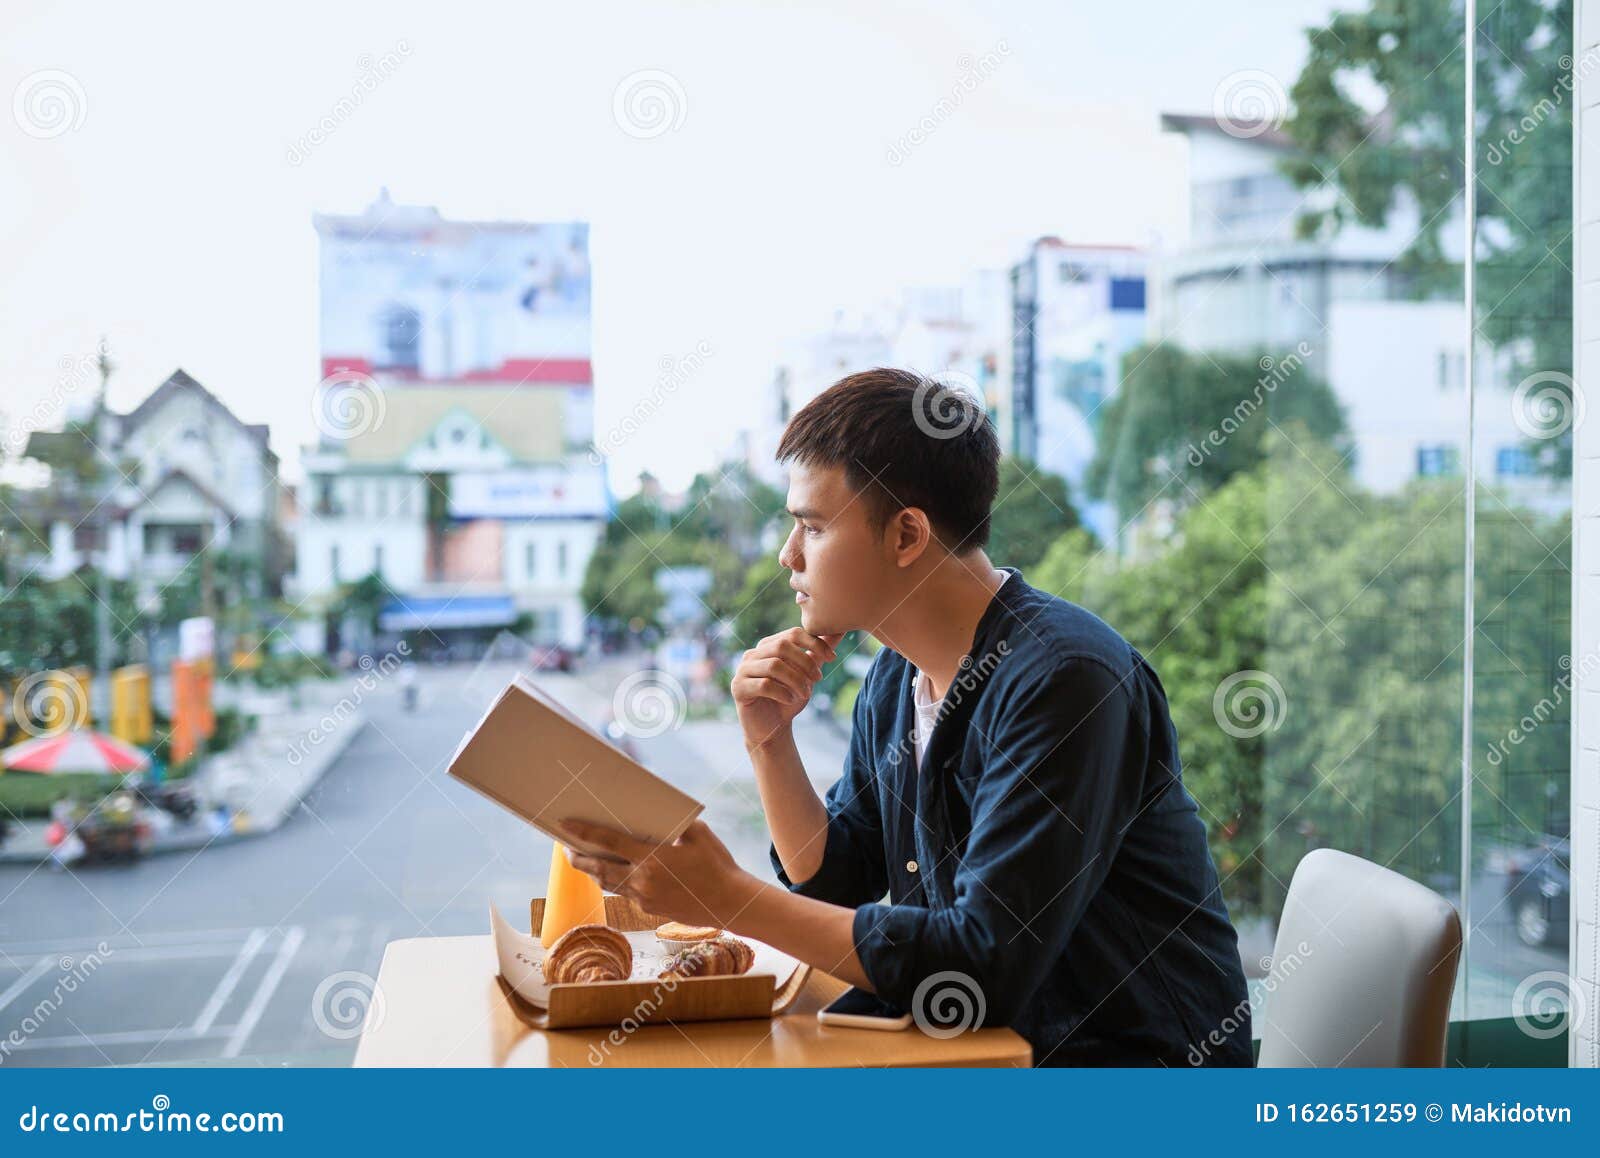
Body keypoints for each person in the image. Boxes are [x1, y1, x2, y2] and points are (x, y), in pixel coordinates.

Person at [563, 368, 1252, 1066]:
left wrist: (728, 898)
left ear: (906, 536)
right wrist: (768, 740)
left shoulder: (1066, 681)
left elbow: (981, 967)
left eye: (812, 526)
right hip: (978, 1056)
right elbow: (836, 879)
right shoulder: (896, 676)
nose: (787, 556)